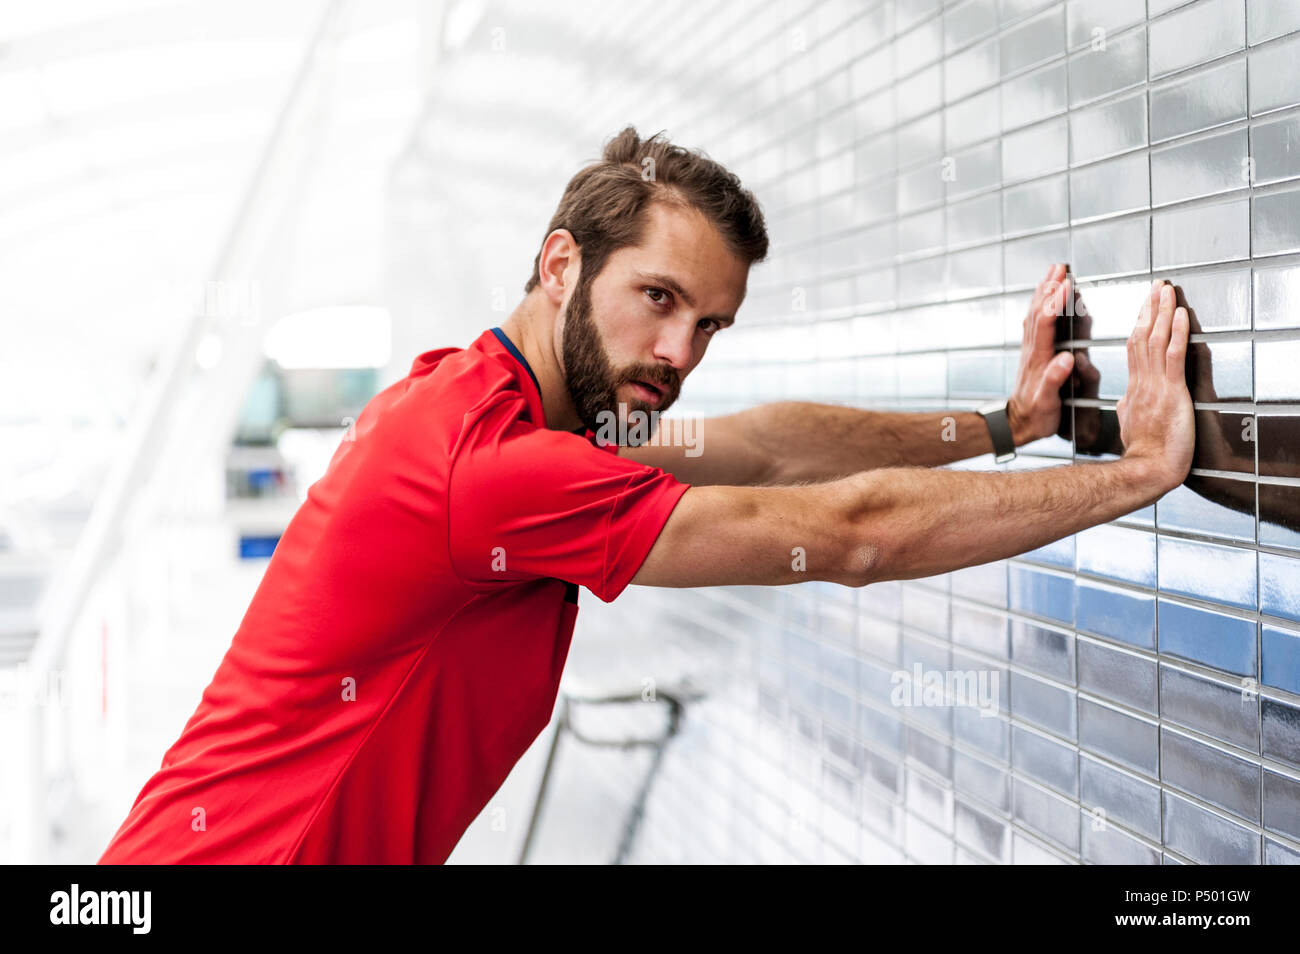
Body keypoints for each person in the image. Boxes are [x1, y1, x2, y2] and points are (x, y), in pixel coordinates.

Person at [98, 126, 1193, 864]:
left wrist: (1006, 426)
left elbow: (759, 451)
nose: (678, 352)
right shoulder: (496, 469)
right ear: (561, 262)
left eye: (709, 324)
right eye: (657, 299)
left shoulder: (499, 398)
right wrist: (1136, 474)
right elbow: (847, 535)